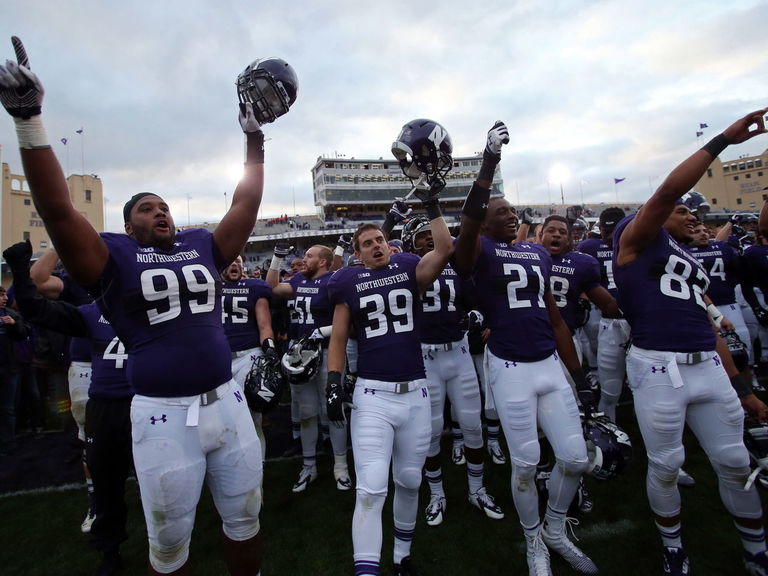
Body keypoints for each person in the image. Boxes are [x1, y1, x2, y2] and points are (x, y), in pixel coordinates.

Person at [0, 38, 298, 575]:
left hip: (227, 400)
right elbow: (58, 210)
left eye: (164, 206)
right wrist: (29, 122)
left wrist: (254, 141)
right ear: (127, 221)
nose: (160, 212)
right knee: (168, 540)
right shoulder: (111, 254)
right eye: (147, 207)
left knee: (246, 519)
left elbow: (246, 203)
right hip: (162, 413)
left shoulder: (201, 244)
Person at [612, 109, 768, 576]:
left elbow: (708, 325)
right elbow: (666, 193)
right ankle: (672, 545)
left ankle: (755, 548)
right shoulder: (637, 238)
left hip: (707, 364)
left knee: (735, 461)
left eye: (692, 212)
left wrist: (744, 389)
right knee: (666, 464)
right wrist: (723, 140)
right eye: (683, 210)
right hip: (659, 366)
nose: (689, 213)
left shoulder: (687, 257)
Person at [454, 122, 598, 576]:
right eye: (502, 211)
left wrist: (578, 376)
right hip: (511, 366)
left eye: (513, 210)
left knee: (574, 457)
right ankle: (532, 536)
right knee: (525, 462)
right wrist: (489, 163)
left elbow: (555, 317)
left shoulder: (536, 254)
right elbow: (471, 222)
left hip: (549, 362)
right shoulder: (480, 252)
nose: (510, 214)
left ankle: (554, 527)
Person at [324, 118, 454, 576]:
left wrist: (430, 199)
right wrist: (335, 383)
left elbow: (445, 249)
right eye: (367, 243)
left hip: (416, 392)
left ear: (389, 244)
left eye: (380, 239)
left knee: (409, 480)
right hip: (374, 396)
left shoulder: (408, 268)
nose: (376, 245)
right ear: (357, 252)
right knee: (371, 488)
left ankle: (401, 557)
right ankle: (366, 569)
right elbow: (339, 336)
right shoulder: (348, 281)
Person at [5, 239, 133, 576]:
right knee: (106, 475)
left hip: (149, 399)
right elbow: (35, 306)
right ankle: (109, 547)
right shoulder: (91, 310)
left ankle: (167, 534)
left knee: (158, 473)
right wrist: (21, 267)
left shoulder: (149, 304)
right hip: (106, 401)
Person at [400, 215, 504, 528]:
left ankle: (476, 489)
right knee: (430, 432)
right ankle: (436, 494)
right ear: (410, 242)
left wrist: (475, 314)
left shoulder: (457, 267)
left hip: (458, 352)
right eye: (421, 236)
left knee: (472, 425)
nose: (429, 239)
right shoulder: (407, 268)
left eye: (432, 234)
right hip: (425, 357)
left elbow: (475, 301)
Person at [265, 243, 351, 492]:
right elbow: (272, 287)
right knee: (306, 412)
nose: (304, 259)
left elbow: (349, 320)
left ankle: (340, 466)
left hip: (327, 351)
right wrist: (277, 258)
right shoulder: (299, 280)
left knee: (333, 410)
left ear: (323, 261)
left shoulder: (333, 282)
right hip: (300, 353)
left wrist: (320, 332)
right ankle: (309, 465)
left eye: (309, 256)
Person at [220, 255, 277, 460]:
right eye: (230, 261)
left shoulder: (254, 286)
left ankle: (257, 467)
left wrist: (269, 349)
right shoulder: (210, 285)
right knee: (222, 416)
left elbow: (264, 324)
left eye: (239, 262)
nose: (234, 264)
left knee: (252, 415)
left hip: (249, 355)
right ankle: (231, 462)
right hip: (219, 358)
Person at [0, 285, 28, 456]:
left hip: (10, 368)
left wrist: (14, 325)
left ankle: (8, 443)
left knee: (8, 408)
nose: (4, 298)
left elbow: (23, 334)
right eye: (0, 295)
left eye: (4, 295)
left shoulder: (11, 314)